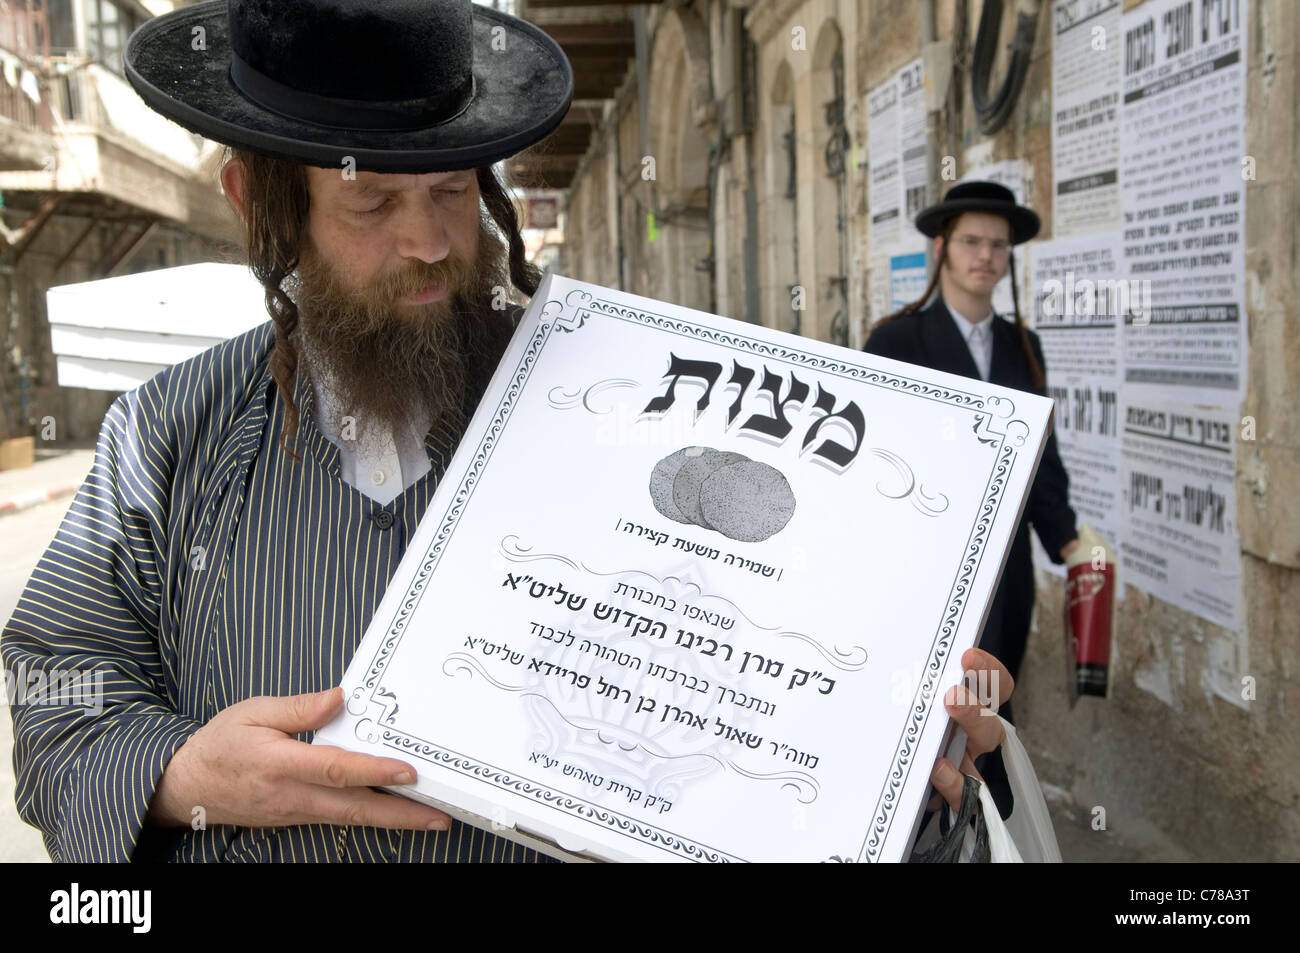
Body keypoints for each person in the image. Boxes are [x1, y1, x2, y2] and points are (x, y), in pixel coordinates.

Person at [3, 1, 1017, 862]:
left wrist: (893, 768)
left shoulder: (620, 407)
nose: (430, 242)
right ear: (253, 199)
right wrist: (184, 775)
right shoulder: (165, 435)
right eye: (372, 201)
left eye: (452, 189)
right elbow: (58, 699)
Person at [863, 181, 1079, 818]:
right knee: (925, 704)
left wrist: (1069, 540)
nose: (985, 256)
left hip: (1005, 570)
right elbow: (874, 457)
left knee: (991, 698)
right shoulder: (896, 342)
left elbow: (1041, 459)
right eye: (971, 242)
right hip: (924, 562)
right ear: (942, 248)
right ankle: (911, 825)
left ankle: (989, 827)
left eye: (998, 246)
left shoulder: (1022, 345)